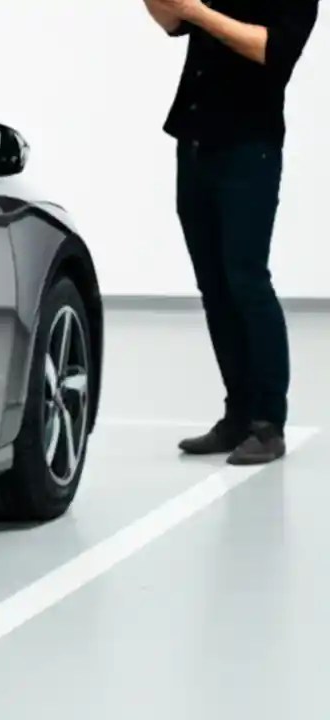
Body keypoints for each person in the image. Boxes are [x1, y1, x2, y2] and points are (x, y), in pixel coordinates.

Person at [144, 0, 319, 465]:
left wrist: (197, 12)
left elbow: (273, 52)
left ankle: (268, 423)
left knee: (246, 278)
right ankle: (237, 414)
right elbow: (171, 21)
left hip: (250, 146)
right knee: (214, 286)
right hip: (195, 138)